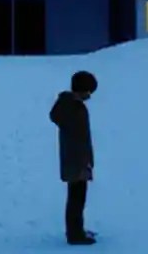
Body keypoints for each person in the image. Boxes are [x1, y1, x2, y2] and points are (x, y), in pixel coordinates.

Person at [49, 70, 98, 246]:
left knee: (77, 198)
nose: (89, 96)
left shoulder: (73, 106)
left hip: (77, 160)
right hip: (76, 161)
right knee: (76, 199)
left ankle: (77, 230)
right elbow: (78, 138)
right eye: (88, 92)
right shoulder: (72, 107)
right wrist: (84, 163)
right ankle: (75, 234)